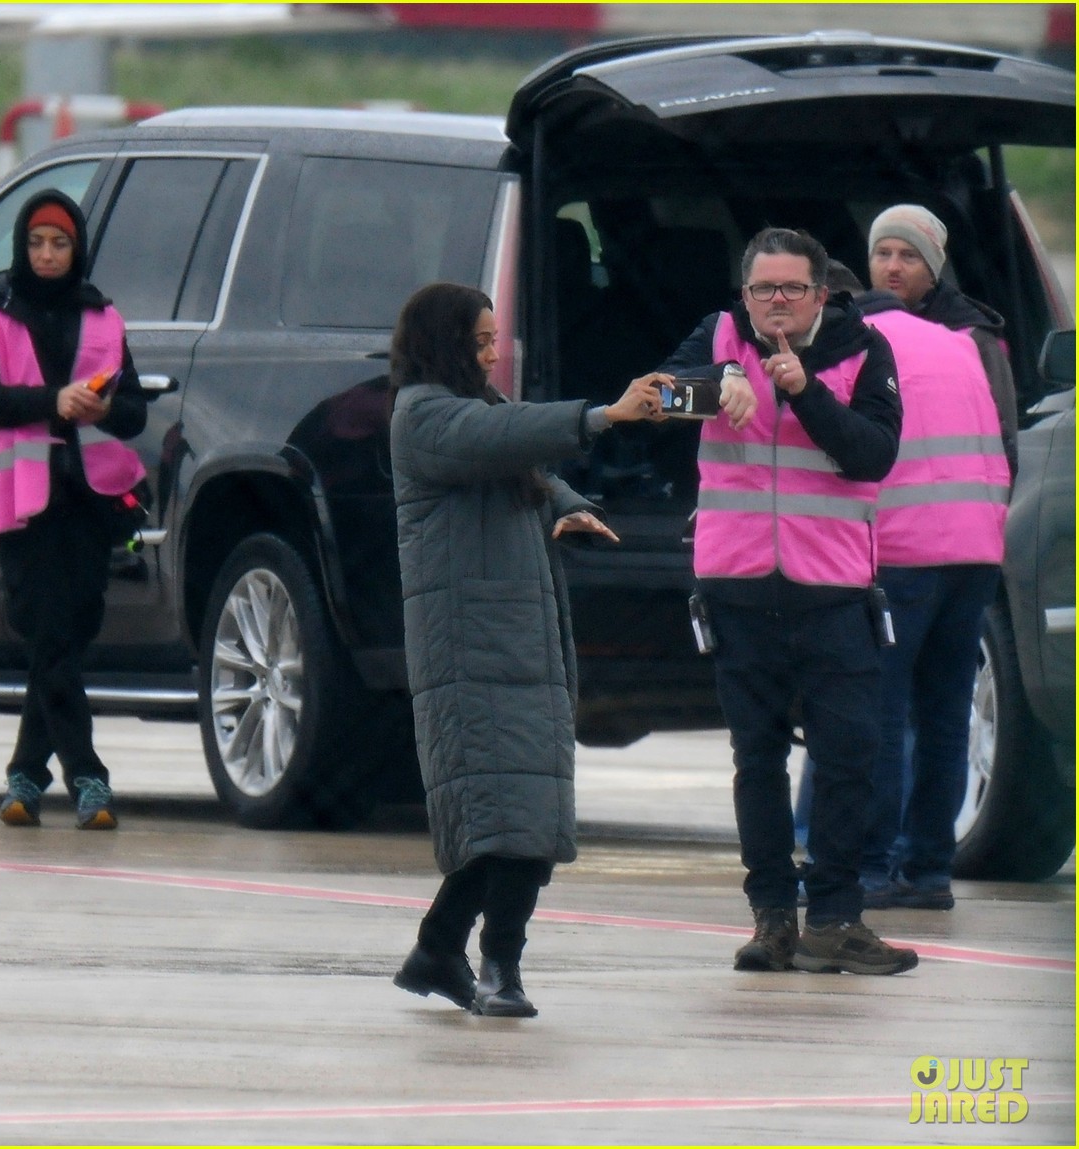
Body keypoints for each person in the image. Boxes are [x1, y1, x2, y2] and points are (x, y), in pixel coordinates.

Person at [388, 282, 671, 1017]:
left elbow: (532, 472)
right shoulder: (422, 414)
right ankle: (498, 966)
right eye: (478, 340)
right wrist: (605, 414)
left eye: (493, 338)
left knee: (529, 818)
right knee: (508, 822)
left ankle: (440, 946)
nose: (490, 350)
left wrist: (572, 506)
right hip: (469, 650)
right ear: (443, 342)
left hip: (521, 641)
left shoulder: (477, 411)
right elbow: (502, 442)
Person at [658, 227, 917, 975]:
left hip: (833, 587)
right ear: (744, 294)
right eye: (763, 289)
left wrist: (801, 391)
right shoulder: (718, 336)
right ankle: (771, 917)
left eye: (792, 290)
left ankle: (834, 916)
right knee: (757, 757)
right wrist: (716, 383)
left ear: (821, 294)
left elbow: (872, 452)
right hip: (738, 582)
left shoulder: (863, 351)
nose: (777, 303)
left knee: (848, 753)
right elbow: (654, 398)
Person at [0, 189, 148, 830]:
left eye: (59, 243)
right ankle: (90, 776)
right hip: (22, 502)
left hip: (90, 501)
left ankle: (25, 778)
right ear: (20, 246)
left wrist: (101, 409)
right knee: (47, 634)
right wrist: (49, 403)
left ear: (77, 248)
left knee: (67, 636)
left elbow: (135, 411)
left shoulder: (102, 317)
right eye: (36, 242)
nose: (47, 254)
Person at [824, 260, 1012, 909]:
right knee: (944, 712)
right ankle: (929, 869)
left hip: (904, 550)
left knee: (876, 709)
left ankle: (871, 865)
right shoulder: (955, 340)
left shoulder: (855, 344)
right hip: (976, 547)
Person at [867, 203, 1018, 478]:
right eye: (882, 254)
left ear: (933, 269)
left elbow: (1005, 440)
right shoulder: (855, 330)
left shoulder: (975, 338)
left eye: (909, 256)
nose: (892, 267)